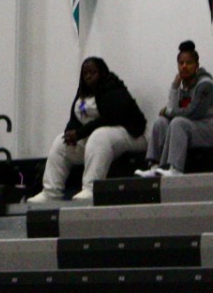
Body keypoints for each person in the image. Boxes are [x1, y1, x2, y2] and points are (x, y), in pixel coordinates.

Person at [30, 57, 143, 205]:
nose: (89, 76)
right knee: (60, 142)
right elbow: (74, 118)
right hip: (94, 138)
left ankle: (91, 188)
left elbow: (110, 118)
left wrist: (80, 133)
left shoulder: (113, 89)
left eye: (93, 72)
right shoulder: (82, 93)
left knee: (99, 136)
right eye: (85, 74)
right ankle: (51, 192)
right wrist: (70, 132)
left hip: (131, 135)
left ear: (102, 73)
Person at [142, 41, 213, 176]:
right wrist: (174, 87)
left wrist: (168, 111)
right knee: (161, 122)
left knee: (178, 123)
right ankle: (155, 167)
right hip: (198, 129)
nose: (184, 66)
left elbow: (193, 114)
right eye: (181, 63)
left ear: (196, 65)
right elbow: (171, 111)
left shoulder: (205, 85)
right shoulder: (182, 85)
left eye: (189, 63)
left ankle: (175, 169)